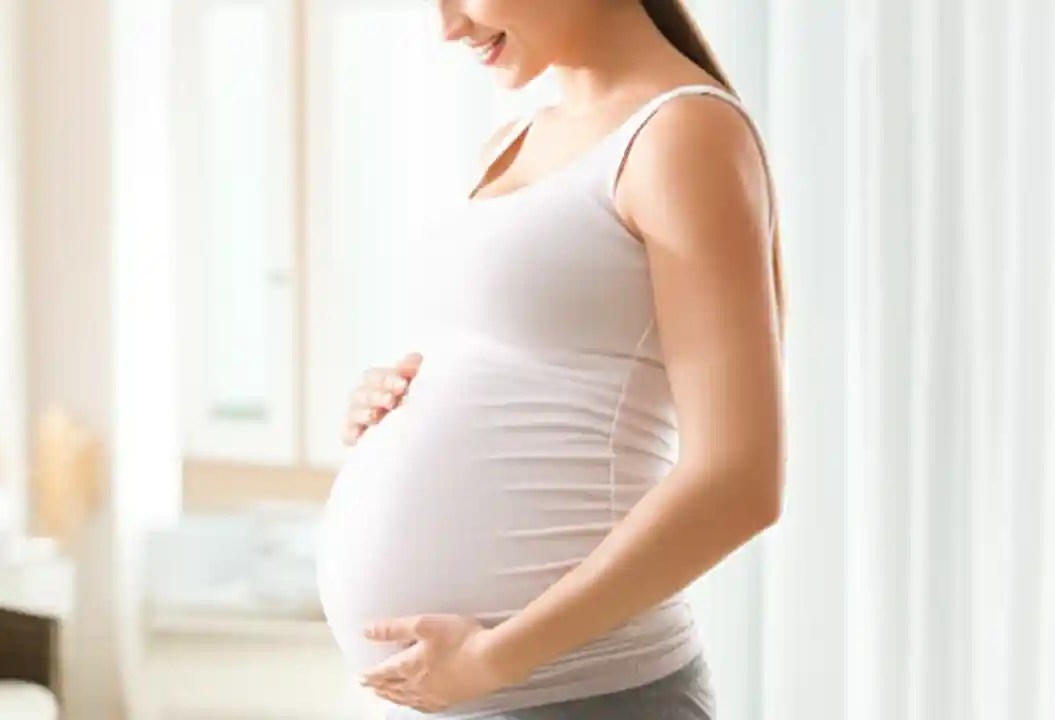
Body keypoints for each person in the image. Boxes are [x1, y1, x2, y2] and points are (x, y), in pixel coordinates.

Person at [316, 1, 786, 718]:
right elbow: (522, 364)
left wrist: (494, 659)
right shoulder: (515, 141)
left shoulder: (683, 133)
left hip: (589, 696)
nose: (447, 26)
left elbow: (739, 481)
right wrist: (394, 400)